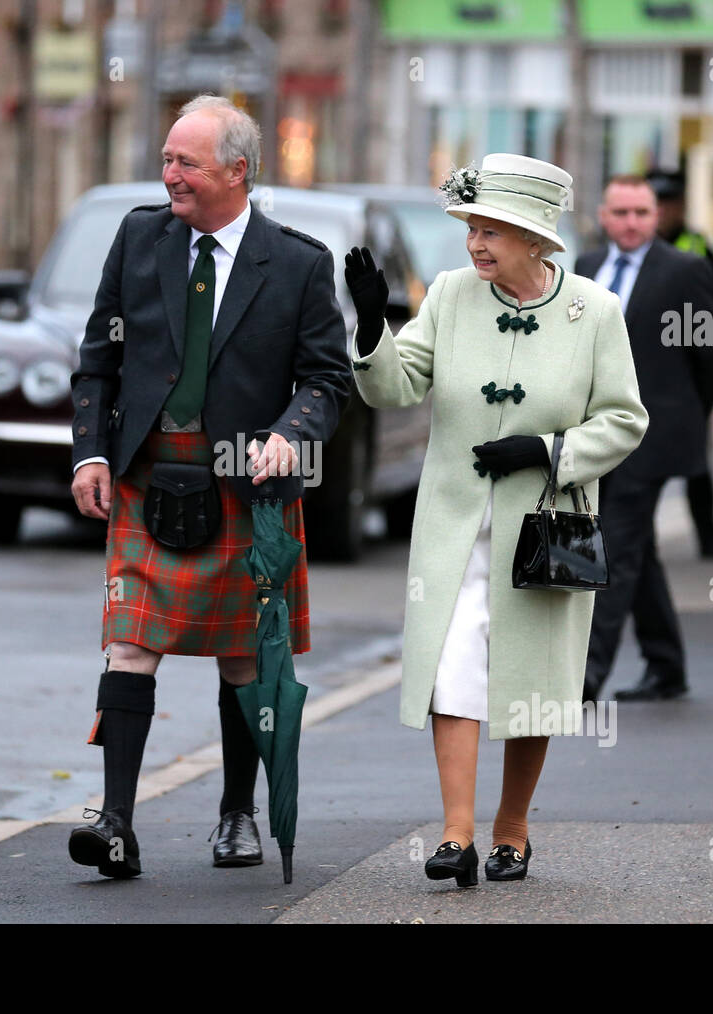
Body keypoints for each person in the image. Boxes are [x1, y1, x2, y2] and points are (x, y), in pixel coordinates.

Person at [66, 95, 350, 879]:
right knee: (130, 644)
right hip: (149, 475)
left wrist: (288, 437)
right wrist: (90, 454)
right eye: (166, 160)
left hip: (242, 484)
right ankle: (116, 820)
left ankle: (236, 815)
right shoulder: (137, 238)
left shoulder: (297, 263)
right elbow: (99, 358)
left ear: (238, 171)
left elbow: (326, 381)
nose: (170, 176)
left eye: (186, 163)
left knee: (243, 660)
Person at [346, 154, 648, 886]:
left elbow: (626, 419)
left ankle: (512, 828)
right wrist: (368, 327)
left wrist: (547, 450)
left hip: (543, 532)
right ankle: (456, 834)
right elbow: (396, 388)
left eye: (492, 230)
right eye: (471, 228)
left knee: (531, 684)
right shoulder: (450, 295)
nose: (475, 243)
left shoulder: (594, 312)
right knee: (453, 675)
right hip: (455, 532)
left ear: (536, 238)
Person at [577, 175, 713, 702]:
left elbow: (712, 357)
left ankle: (585, 678)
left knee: (614, 546)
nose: (632, 222)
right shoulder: (588, 267)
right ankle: (667, 665)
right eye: (621, 212)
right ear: (603, 215)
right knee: (638, 548)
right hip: (598, 433)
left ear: (656, 216)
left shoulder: (687, 270)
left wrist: (688, 417)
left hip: (656, 435)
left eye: (642, 212)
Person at [646, 168, 713, 560]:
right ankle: (638, 538)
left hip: (686, 363)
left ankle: (709, 538)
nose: (662, 212)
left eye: (669, 204)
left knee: (697, 461)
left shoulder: (698, 247)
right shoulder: (634, 244)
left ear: (681, 206)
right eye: (657, 204)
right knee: (636, 464)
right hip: (644, 365)